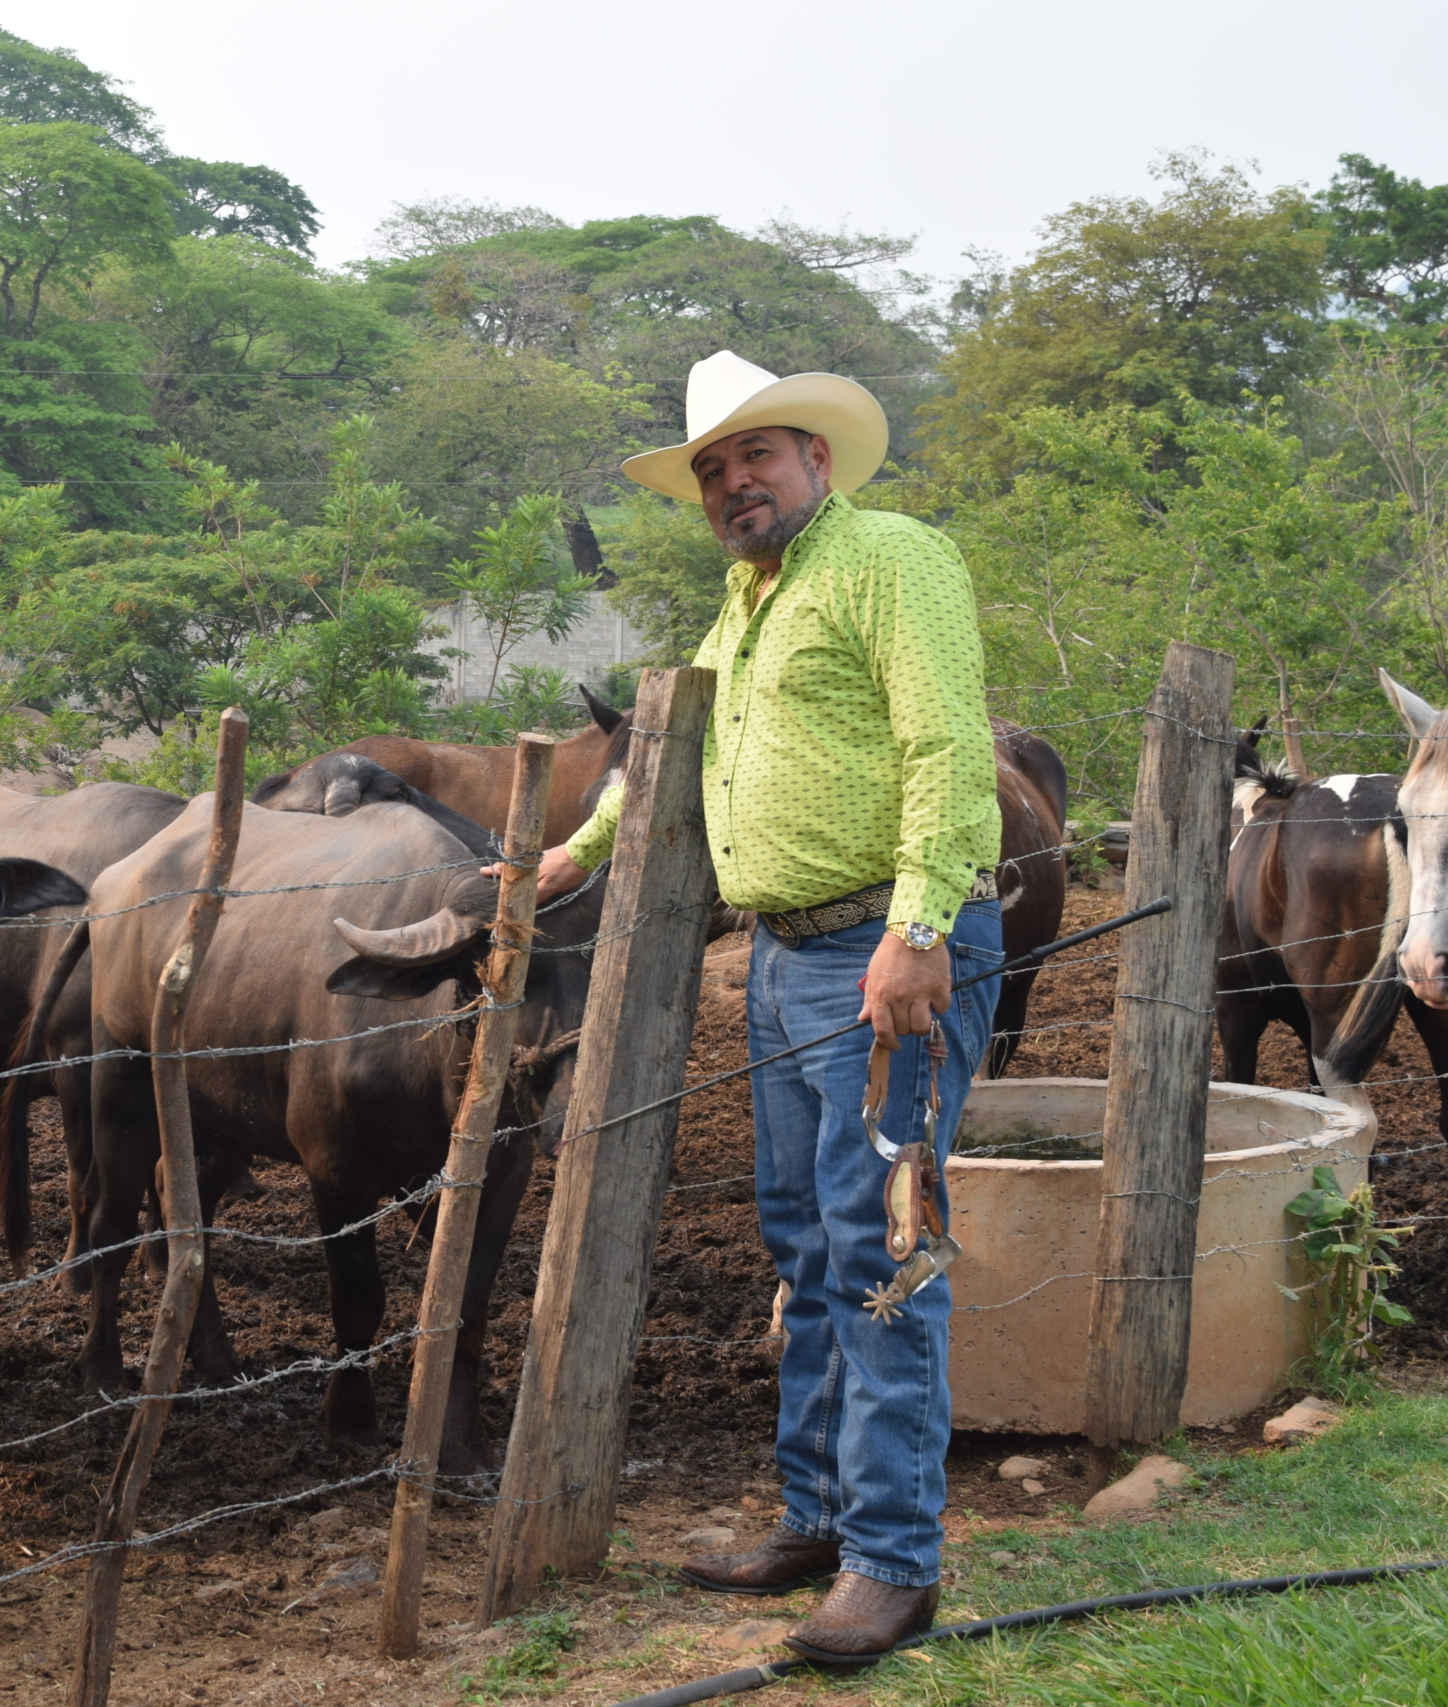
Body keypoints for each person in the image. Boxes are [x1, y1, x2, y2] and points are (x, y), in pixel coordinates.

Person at [533, 351, 1002, 1667]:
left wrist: (919, 928)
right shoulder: (746, 599)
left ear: (818, 461)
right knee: (804, 1240)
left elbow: (946, 748)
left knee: (883, 1250)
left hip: (885, 947)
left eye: (757, 455)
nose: (734, 482)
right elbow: (676, 744)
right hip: (790, 955)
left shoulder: (890, 559)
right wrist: (578, 851)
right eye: (711, 470)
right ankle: (817, 1514)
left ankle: (893, 1559)